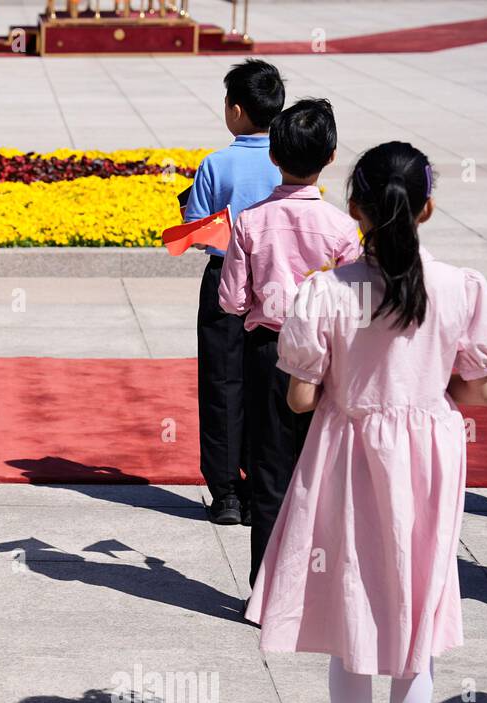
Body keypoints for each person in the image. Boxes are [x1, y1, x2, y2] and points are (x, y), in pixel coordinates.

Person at [247, 142, 487, 703]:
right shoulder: (460, 286)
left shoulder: (326, 292)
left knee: (352, 615)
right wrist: (427, 389)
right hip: (426, 458)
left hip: (349, 454)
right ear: (426, 207)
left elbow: (300, 400)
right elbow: (483, 390)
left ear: (355, 209)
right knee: (414, 615)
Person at [217, 98, 361, 586]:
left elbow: (232, 301)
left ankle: (267, 588)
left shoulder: (250, 222)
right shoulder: (344, 229)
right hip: (326, 357)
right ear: (332, 156)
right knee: (323, 474)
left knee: (269, 474)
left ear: (274, 156)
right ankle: (318, 585)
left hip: (269, 355)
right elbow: (354, 305)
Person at [185, 58, 285, 526]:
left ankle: (226, 492)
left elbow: (198, 233)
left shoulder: (216, 163)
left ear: (237, 110)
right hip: (276, 283)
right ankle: (265, 481)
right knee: (267, 382)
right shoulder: (287, 160)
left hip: (225, 277)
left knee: (222, 382)